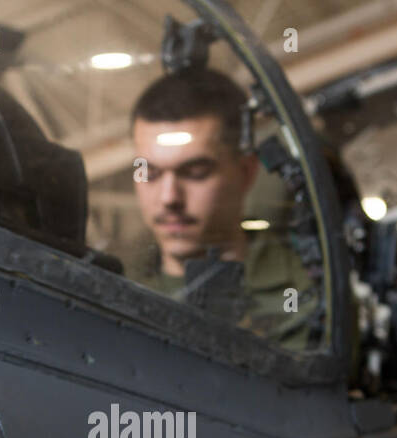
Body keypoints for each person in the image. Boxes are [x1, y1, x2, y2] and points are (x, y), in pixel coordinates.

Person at [130, 68, 316, 350]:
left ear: (245, 172)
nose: (169, 198)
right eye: (150, 172)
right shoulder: (109, 283)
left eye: (195, 171)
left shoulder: (304, 292)